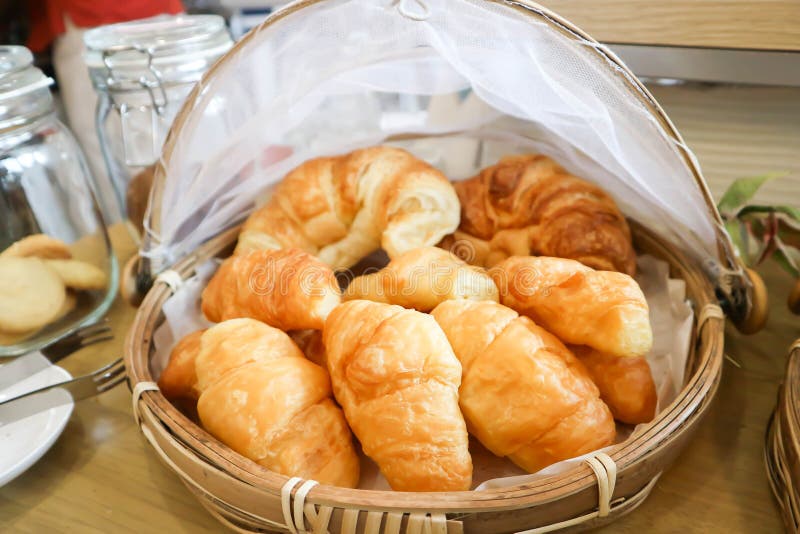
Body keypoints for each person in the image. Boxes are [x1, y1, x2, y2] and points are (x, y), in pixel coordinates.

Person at [26, 0, 184, 222]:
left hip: (99, 20)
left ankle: (153, 246)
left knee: (134, 154)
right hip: (137, 19)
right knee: (158, 147)